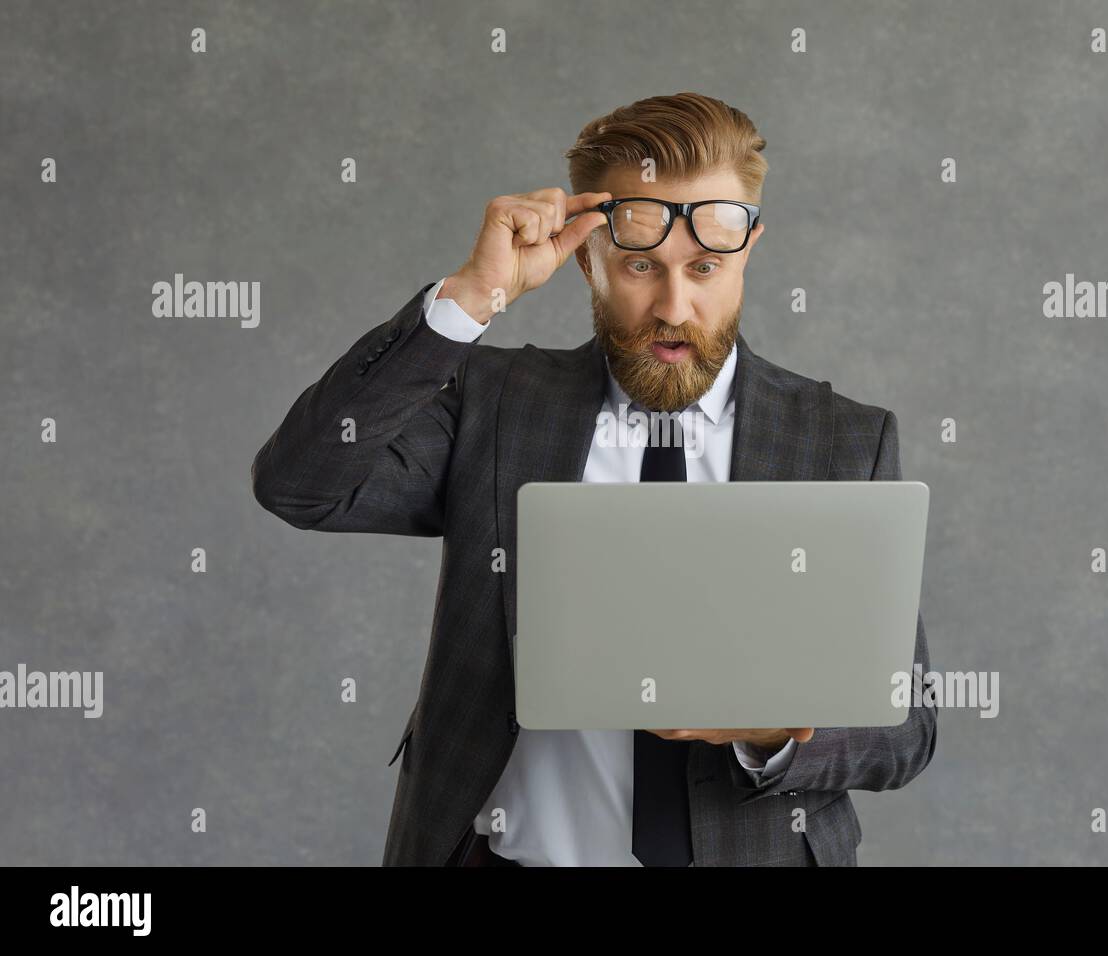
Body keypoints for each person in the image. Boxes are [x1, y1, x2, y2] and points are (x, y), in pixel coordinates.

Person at [251, 91, 936, 867]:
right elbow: (301, 484)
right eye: (641, 265)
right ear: (586, 257)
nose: (674, 307)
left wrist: (769, 732)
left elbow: (905, 730)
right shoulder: (495, 402)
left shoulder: (843, 440)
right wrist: (470, 300)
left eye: (706, 267)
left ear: (748, 252)